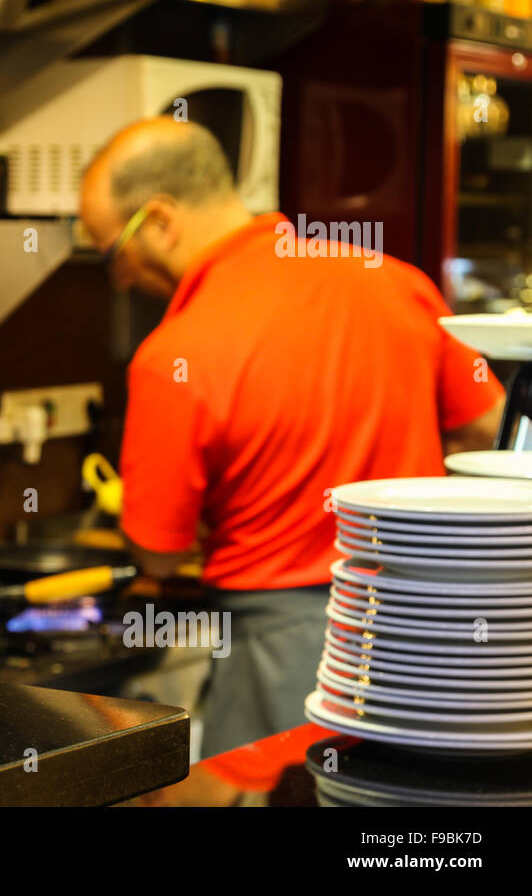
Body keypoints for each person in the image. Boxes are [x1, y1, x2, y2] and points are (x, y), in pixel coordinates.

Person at [78, 117, 505, 757]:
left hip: (282, 648)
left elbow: (158, 553)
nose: (121, 279)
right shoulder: (396, 280)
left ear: (161, 221)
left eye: (113, 254)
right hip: (427, 631)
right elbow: (490, 431)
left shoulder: (173, 355)